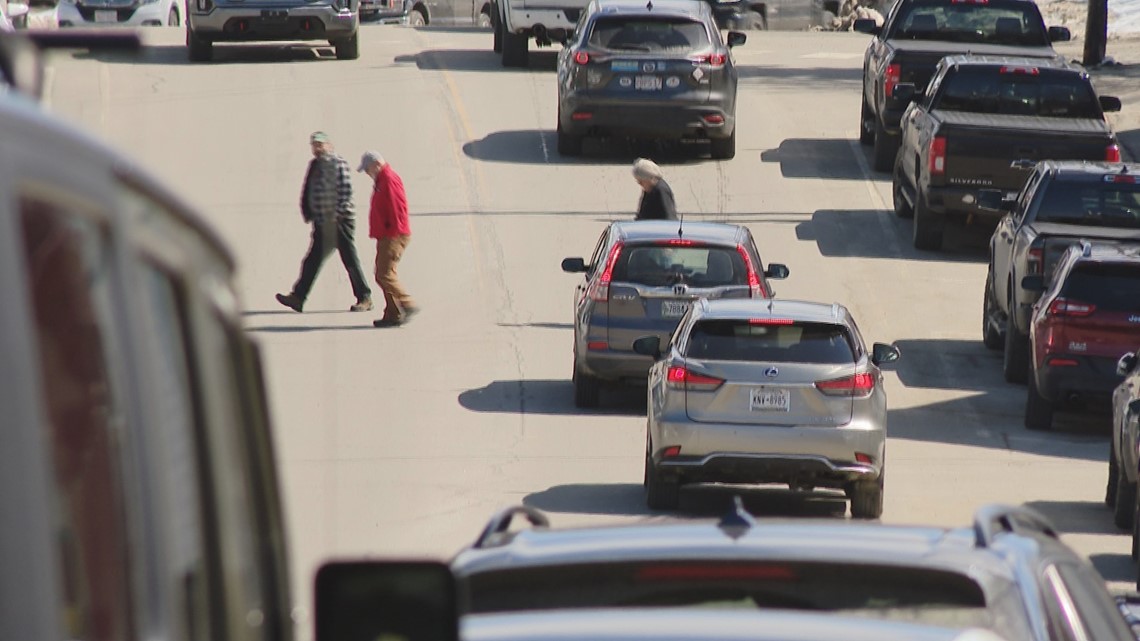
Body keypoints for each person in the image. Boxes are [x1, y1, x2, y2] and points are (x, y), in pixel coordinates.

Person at [276, 132, 373, 313]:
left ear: (329, 145)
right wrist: (308, 211)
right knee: (311, 261)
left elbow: (346, 193)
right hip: (322, 222)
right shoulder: (314, 165)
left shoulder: (338, 163)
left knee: (349, 260)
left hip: (341, 221)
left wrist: (336, 215)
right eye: (314, 145)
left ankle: (365, 298)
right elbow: (308, 188)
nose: (317, 148)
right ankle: (298, 298)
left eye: (320, 144)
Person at [358, 150, 418, 327]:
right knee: (384, 274)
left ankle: (407, 303)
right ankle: (393, 313)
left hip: (394, 235)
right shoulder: (382, 179)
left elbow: (397, 207)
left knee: (383, 274)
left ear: (376, 164)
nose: (367, 173)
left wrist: (392, 232)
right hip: (387, 234)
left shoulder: (389, 179)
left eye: (368, 169)